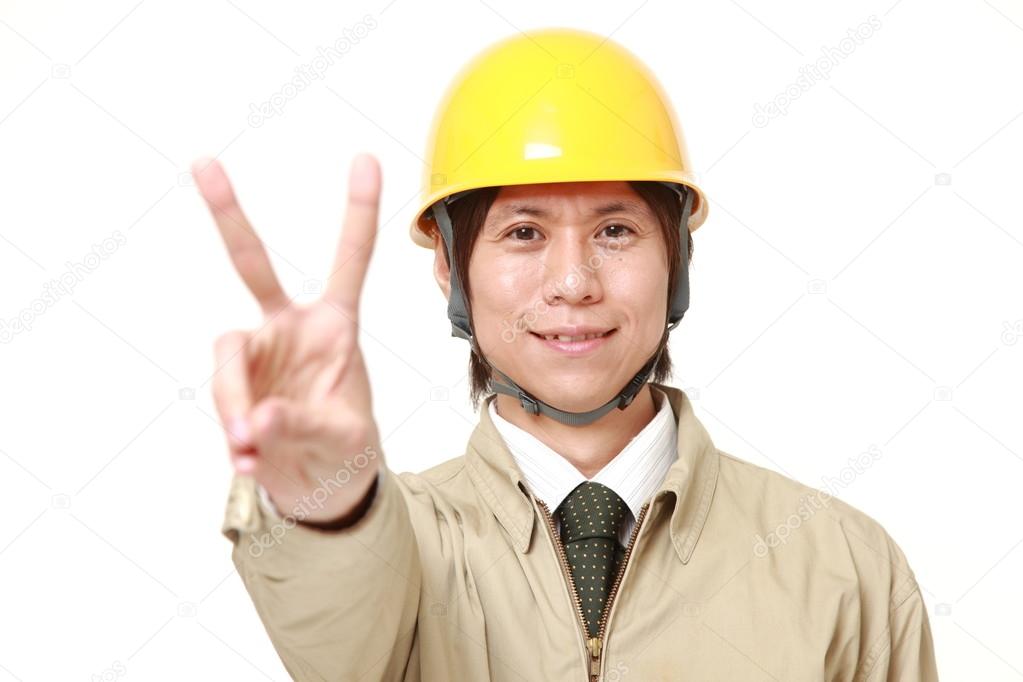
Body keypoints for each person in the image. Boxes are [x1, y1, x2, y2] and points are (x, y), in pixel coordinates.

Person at [195, 28, 938, 681]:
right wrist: (330, 503)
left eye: (616, 230)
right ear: (451, 271)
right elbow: (335, 638)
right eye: (523, 232)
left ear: (676, 260)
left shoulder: (843, 567)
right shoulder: (397, 545)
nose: (574, 282)